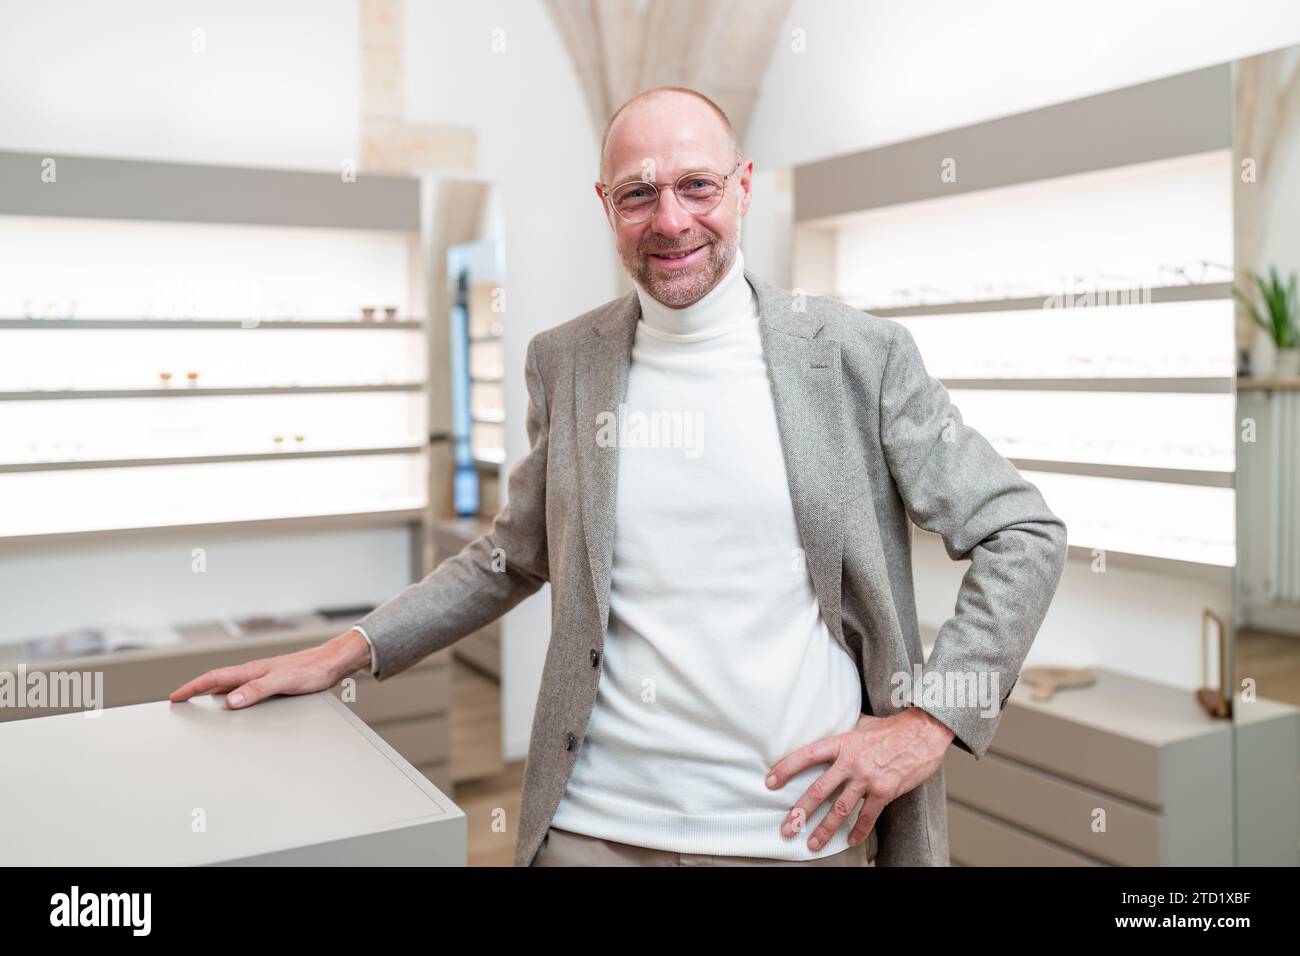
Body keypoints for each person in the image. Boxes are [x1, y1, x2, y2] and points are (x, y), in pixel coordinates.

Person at [171, 86, 1068, 868]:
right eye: (638, 194)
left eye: (696, 186)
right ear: (606, 206)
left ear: (743, 187)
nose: (670, 220)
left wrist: (928, 724)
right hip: (591, 828)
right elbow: (512, 556)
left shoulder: (857, 357)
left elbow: (1021, 531)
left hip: (791, 833)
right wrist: (346, 652)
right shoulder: (568, 362)